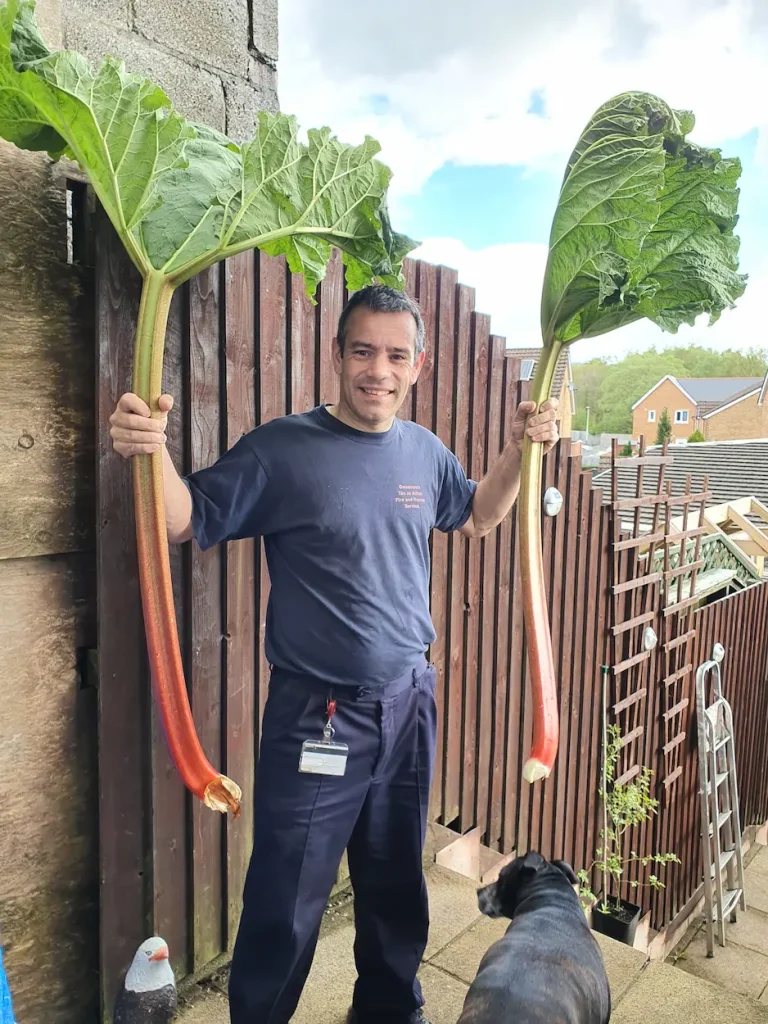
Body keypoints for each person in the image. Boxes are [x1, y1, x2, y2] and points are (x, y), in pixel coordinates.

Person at [109, 285, 559, 1024]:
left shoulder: (423, 451)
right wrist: (149, 452)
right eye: (362, 351)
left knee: (394, 891)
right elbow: (187, 518)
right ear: (337, 355)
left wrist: (522, 450)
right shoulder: (284, 449)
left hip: (409, 703)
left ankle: (388, 1013)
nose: (377, 370)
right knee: (285, 900)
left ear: (417, 364)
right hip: (317, 717)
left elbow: (478, 514)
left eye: (394, 355)